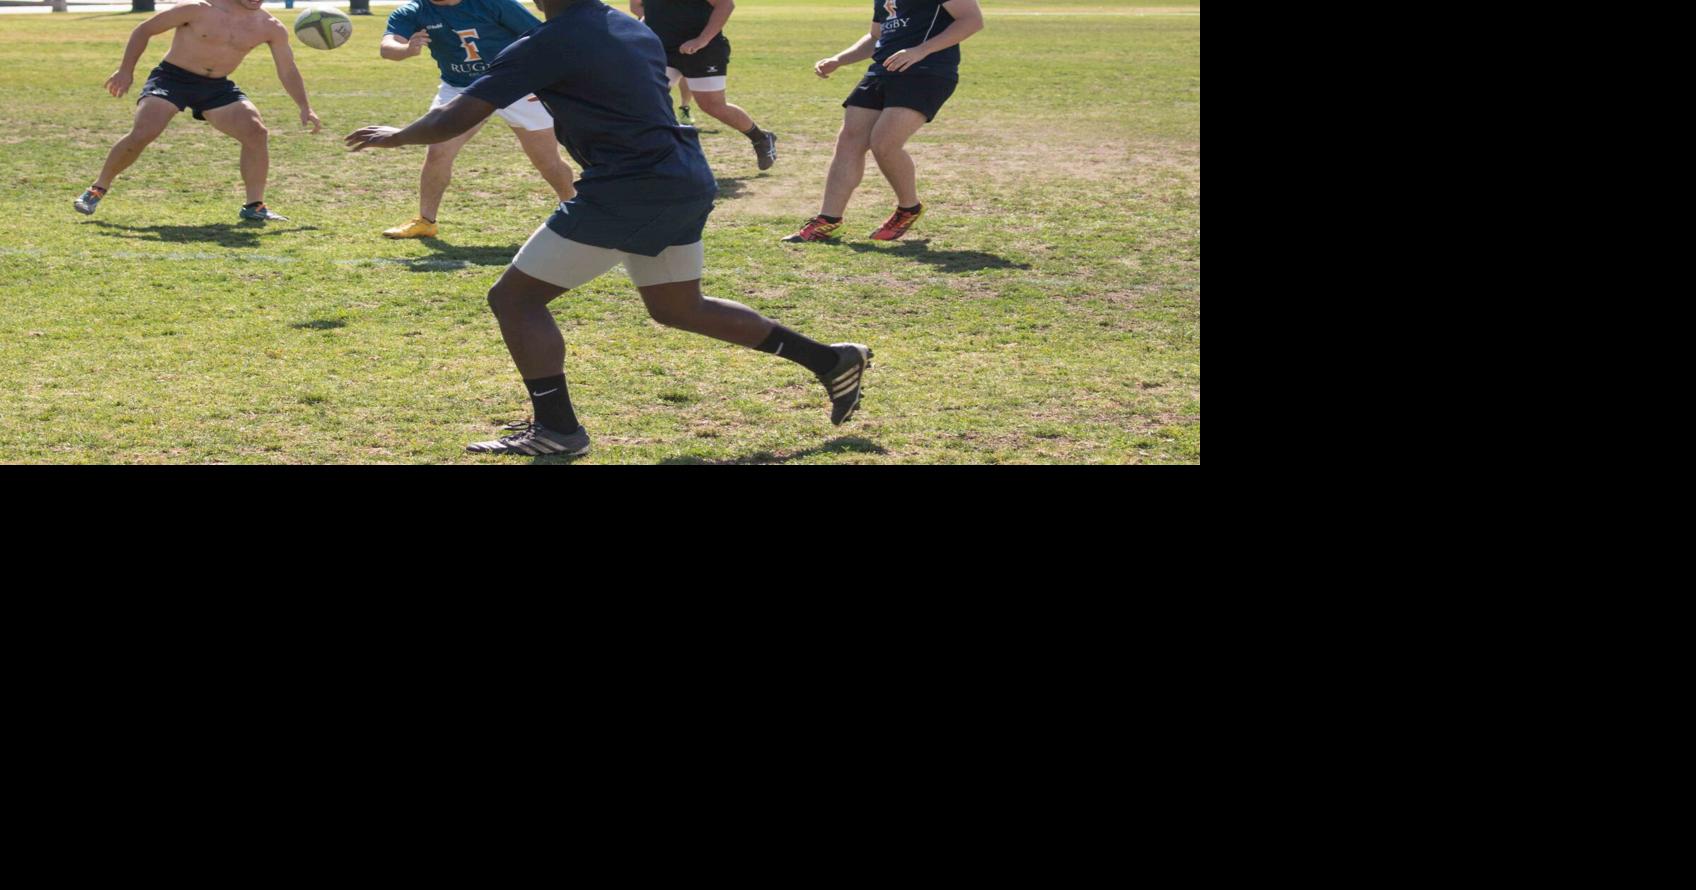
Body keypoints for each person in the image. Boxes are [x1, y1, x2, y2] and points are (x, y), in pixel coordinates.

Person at [347, 0, 871, 458]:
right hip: (682, 174)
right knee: (677, 307)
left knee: (515, 301)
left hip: (629, 186)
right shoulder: (628, 25)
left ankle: (557, 430)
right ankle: (832, 359)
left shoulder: (546, 42)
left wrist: (394, 136)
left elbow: (451, 120)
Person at [73, 0, 323, 221]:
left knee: (256, 132)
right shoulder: (198, 9)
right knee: (144, 131)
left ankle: (254, 206)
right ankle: (97, 189)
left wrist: (304, 106)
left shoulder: (270, 26)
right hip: (171, 79)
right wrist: (125, 70)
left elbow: (287, 69)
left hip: (215, 87)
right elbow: (144, 30)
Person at [782, 0, 983, 243]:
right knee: (849, 141)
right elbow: (875, 36)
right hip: (882, 71)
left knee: (884, 143)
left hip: (927, 71)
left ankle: (909, 208)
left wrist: (921, 50)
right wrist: (839, 59)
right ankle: (829, 220)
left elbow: (972, 20)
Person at [378, 0, 576, 239]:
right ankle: (426, 221)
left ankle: (574, 213)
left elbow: (541, 37)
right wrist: (407, 49)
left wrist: (540, 80)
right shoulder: (415, 10)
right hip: (460, 89)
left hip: (513, 83)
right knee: (438, 151)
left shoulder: (493, 3)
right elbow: (388, 47)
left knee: (546, 159)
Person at [628, 0, 775, 171]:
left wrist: (701, 40)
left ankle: (761, 138)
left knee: (712, 105)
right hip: (662, 49)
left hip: (703, 50)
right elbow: (637, 6)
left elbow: (725, 5)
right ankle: (662, 155)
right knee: (649, 100)